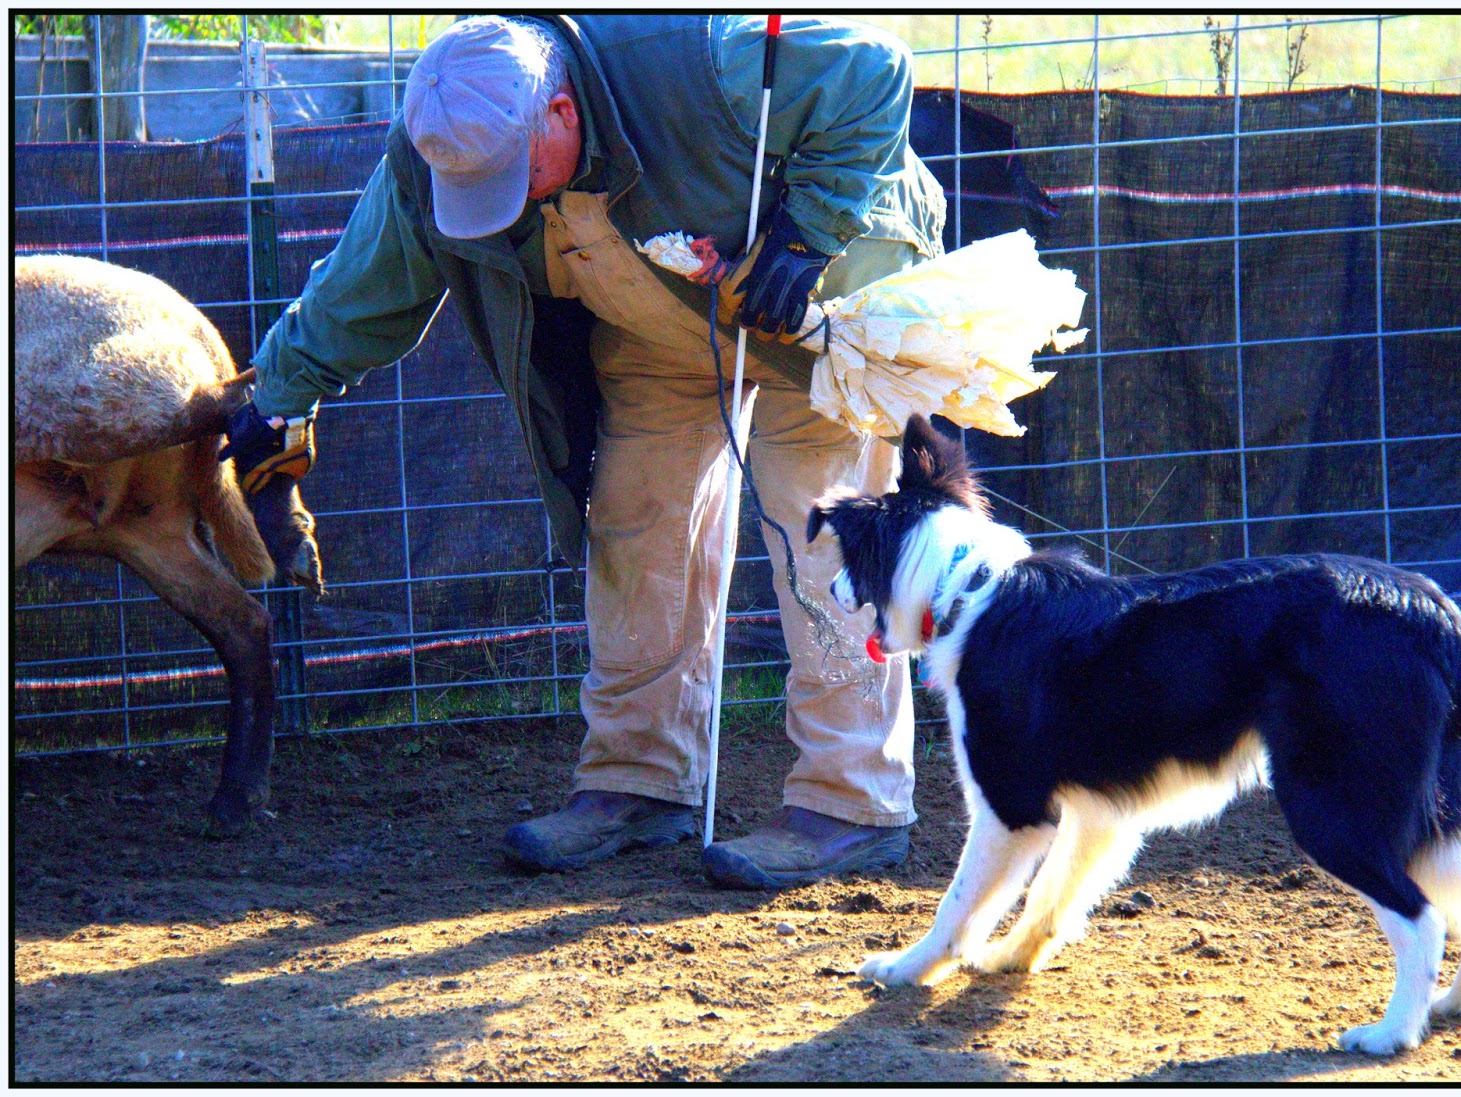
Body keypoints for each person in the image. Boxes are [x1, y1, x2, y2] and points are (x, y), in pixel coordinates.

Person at [224, 15, 947, 889]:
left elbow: (875, 68)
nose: (506, 205)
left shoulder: (699, 59)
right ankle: (640, 779)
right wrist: (279, 389)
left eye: (514, 178)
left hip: (822, 303)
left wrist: (812, 229)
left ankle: (851, 803)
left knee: (825, 538)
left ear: (562, 111)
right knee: (637, 535)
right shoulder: (448, 142)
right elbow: (367, 280)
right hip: (655, 315)